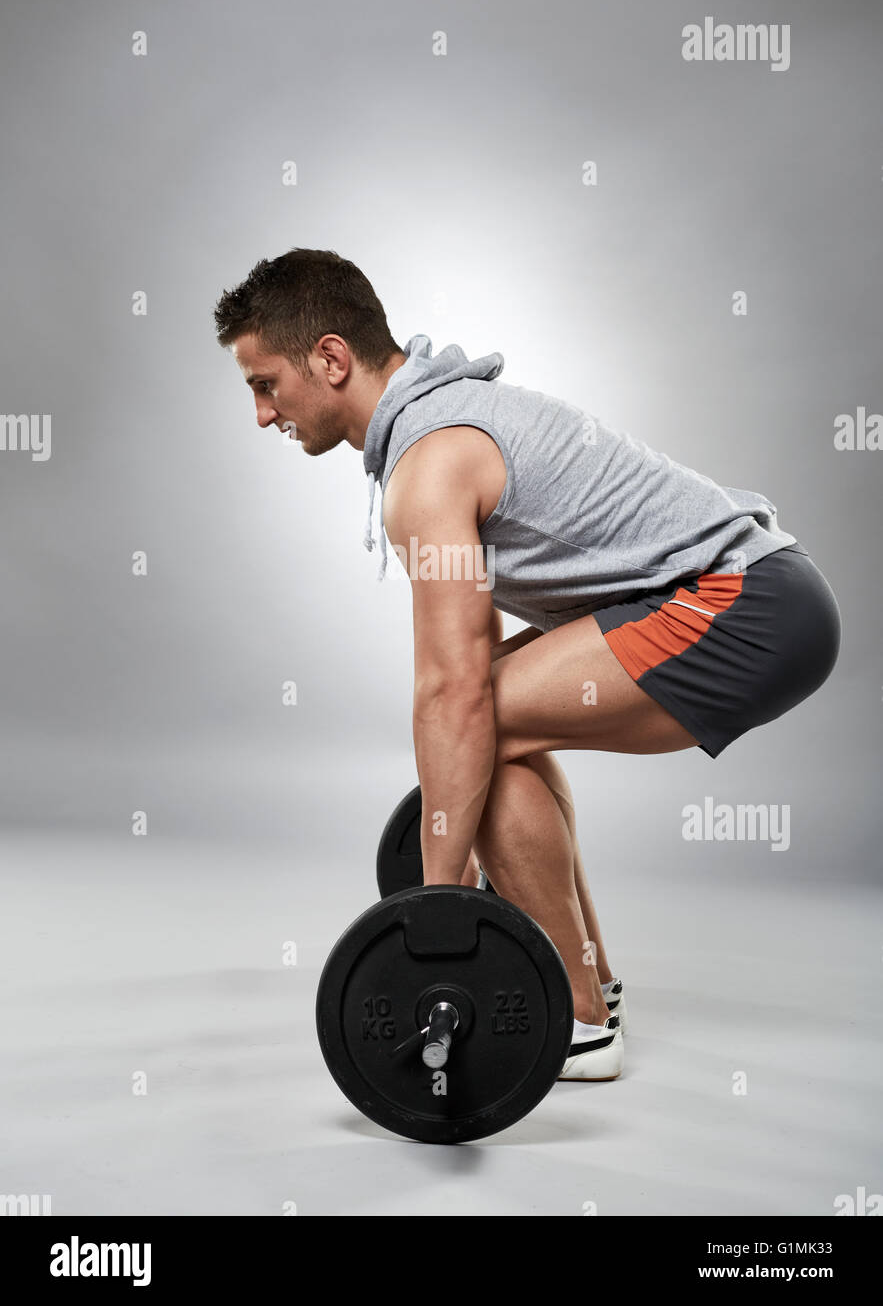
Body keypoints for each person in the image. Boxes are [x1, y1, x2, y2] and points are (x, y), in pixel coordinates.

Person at [214, 248, 842, 1081]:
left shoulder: (431, 463)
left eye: (265, 385)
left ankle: (577, 1021)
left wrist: (435, 916)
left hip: (748, 604)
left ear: (329, 359)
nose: (262, 414)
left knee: (480, 723)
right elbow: (467, 678)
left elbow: (453, 692)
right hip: (757, 594)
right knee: (487, 728)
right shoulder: (437, 429)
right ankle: (592, 989)